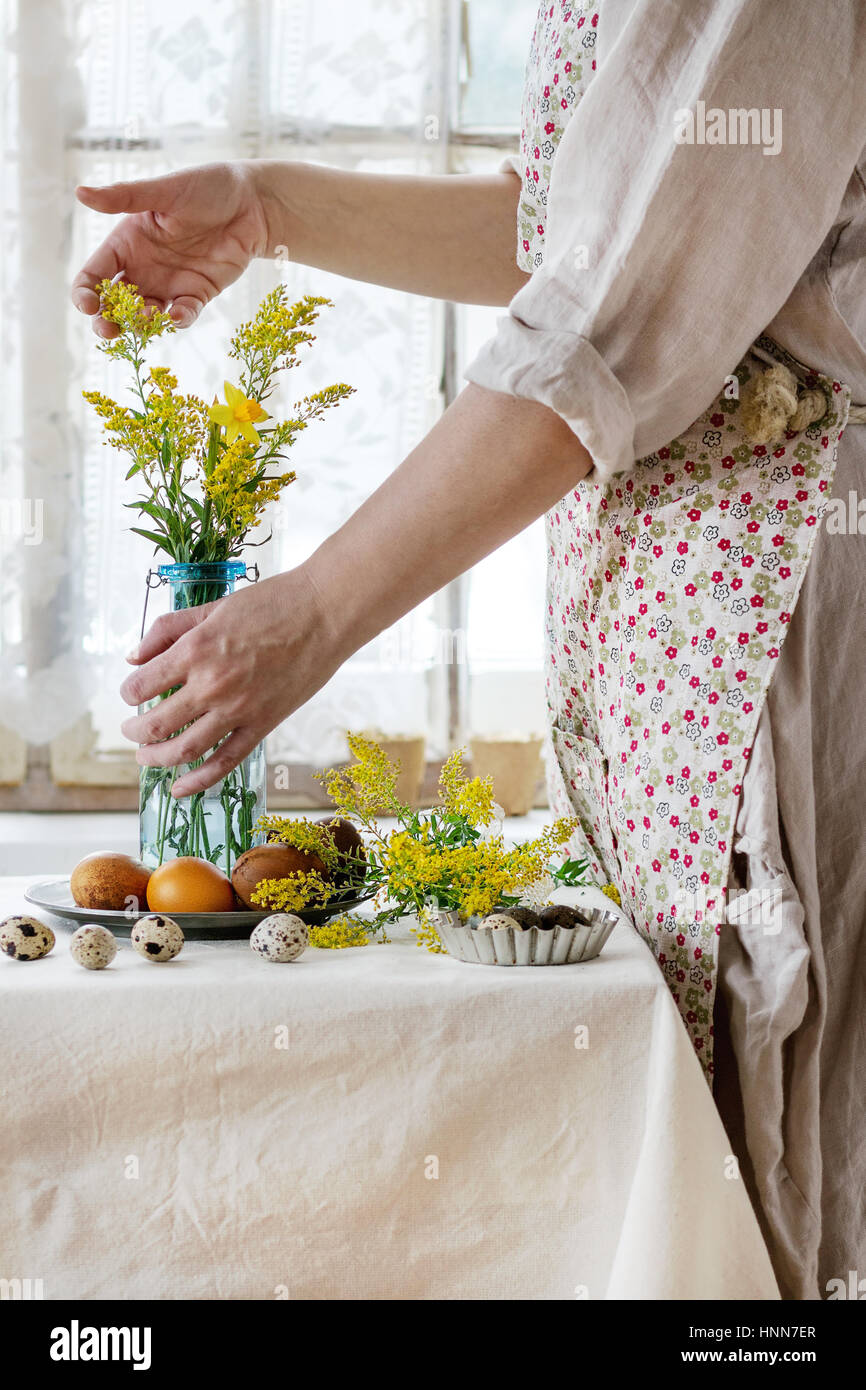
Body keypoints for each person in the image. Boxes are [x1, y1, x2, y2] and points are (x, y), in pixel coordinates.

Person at [71, 0, 866, 1300]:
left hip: (774, 614)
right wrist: (271, 208)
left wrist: (319, 611)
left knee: (787, 1178)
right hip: (667, 631)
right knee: (685, 1155)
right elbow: (573, 229)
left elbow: (616, 308)